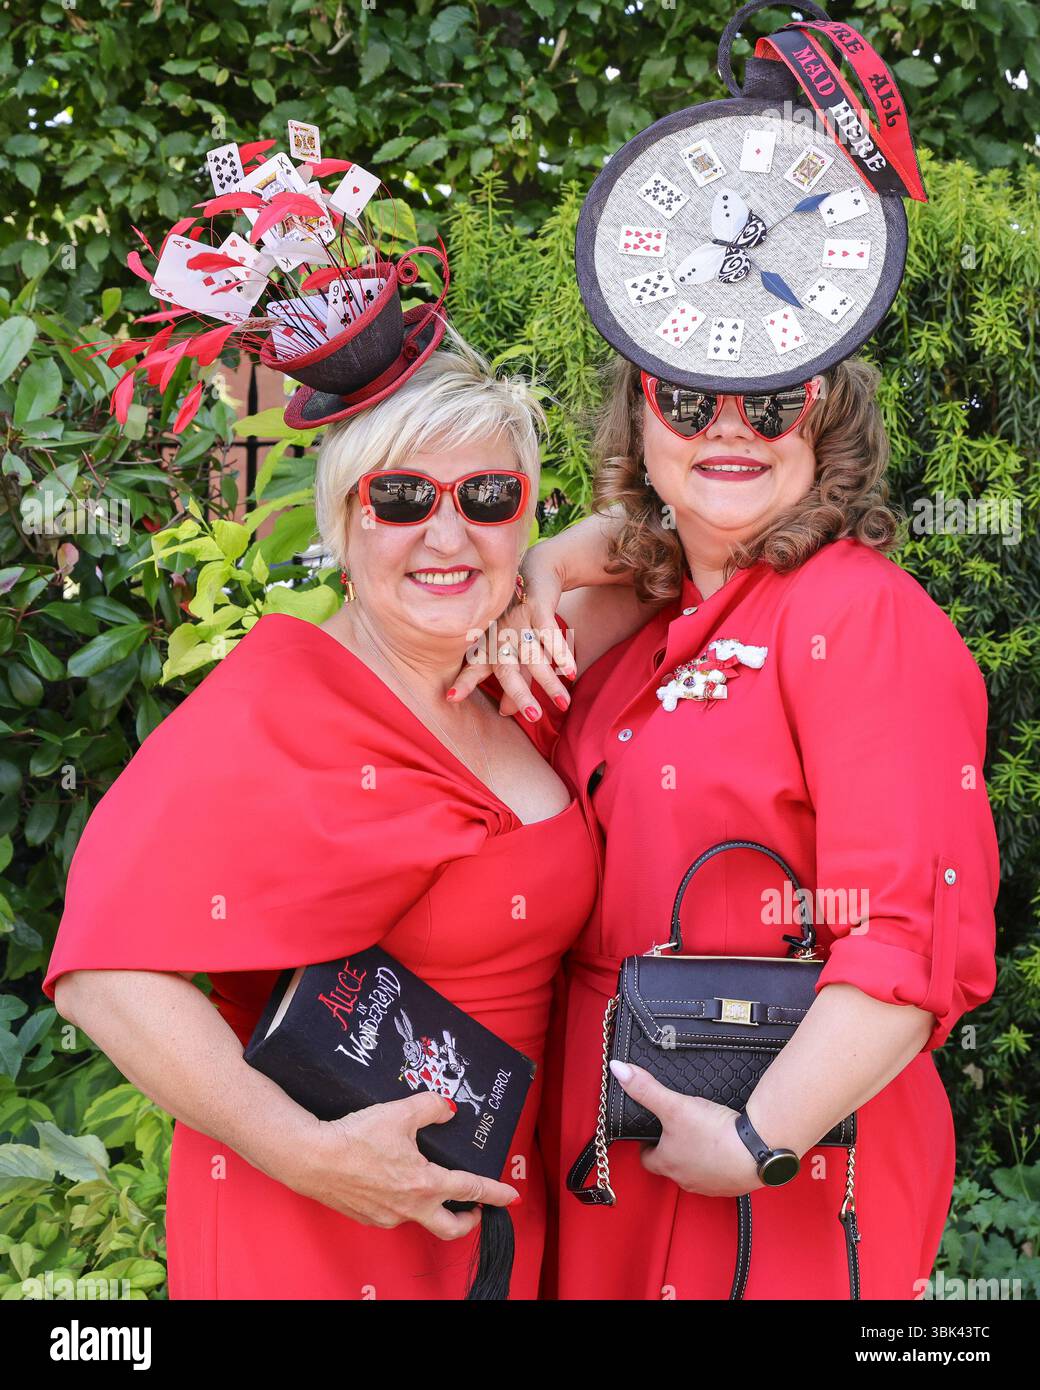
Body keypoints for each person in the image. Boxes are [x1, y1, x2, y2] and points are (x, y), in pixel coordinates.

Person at [43, 333, 607, 1300]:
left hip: (497, 1202)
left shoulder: (512, 676)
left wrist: (550, 568)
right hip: (316, 1215)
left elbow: (679, 531)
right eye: (399, 499)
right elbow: (102, 973)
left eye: (486, 498)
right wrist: (303, 1151)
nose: (446, 535)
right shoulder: (281, 705)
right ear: (343, 523)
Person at [451, 352, 1000, 1298]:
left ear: (826, 422)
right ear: (642, 421)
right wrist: (545, 563)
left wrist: (759, 1139)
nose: (731, 428)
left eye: (774, 400)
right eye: (690, 399)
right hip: (604, 1139)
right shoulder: (657, 615)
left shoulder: (861, 617)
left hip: (776, 1149)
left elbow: (907, 936)